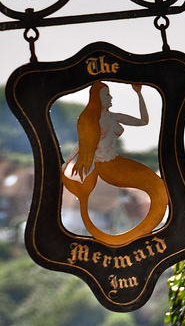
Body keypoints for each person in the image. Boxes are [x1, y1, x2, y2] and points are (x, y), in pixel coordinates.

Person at [61, 81, 169, 246]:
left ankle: (137, 234)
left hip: (117, 161)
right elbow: (81, 144)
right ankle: (134, 235)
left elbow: (143, 121)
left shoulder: (112, 116)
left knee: (159, 188)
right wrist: (66, 164)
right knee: (157, 188)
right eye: (107, 95)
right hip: (108, 167)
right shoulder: (93, 121)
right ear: (98, 99)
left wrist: (139, 94)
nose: (111, 97)